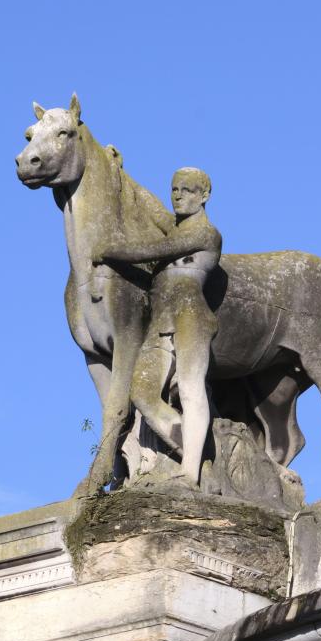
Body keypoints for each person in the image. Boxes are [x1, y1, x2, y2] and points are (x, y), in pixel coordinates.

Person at [95, 167, 222, 486]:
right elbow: (155, 210)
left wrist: (108, 250)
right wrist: (122, 176)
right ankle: (194, 450)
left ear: (204, 196)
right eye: (174, 189)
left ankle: (191, 470)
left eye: (187, 190)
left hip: (190, 315)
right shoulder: (176, 229)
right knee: (140, 390)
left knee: (192, 389)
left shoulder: (206, 233)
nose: (177, 195)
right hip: (161, 318)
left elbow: (153, 250)